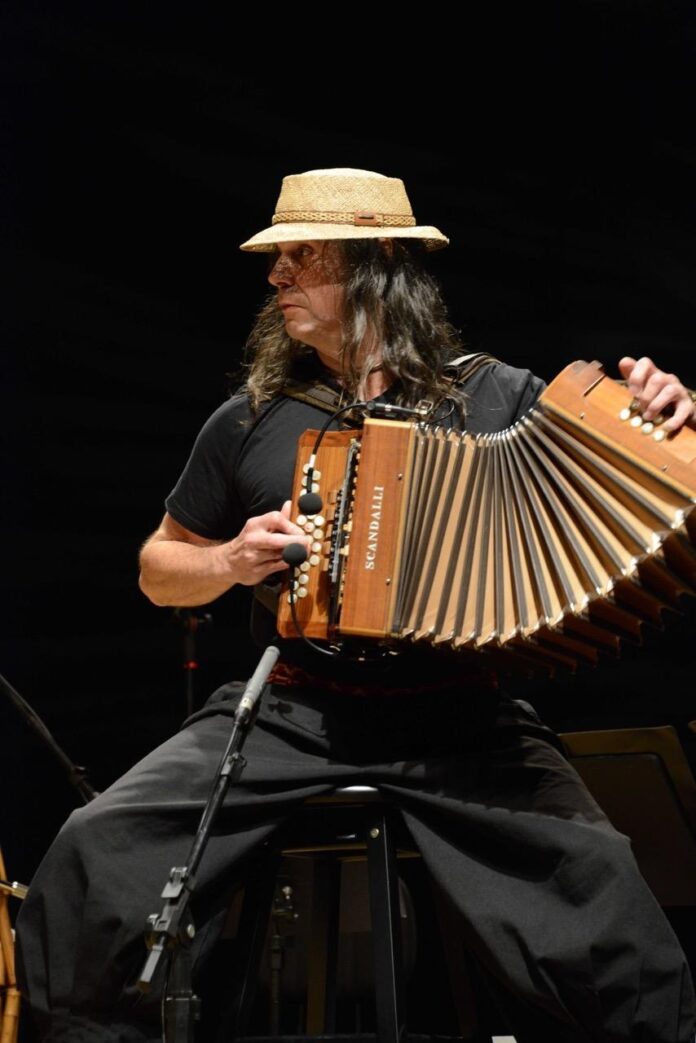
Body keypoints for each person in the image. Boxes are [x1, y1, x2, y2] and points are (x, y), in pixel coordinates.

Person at [16, 168, 696, 1043]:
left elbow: (637, 468)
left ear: (374, 268)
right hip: (296, 708)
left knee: (602, 881)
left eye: (302, 257)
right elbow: (158, 567)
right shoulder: (250, 419)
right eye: (278, 259)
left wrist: (666, 414)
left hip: (458, 717)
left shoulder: (495, 397)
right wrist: (229, 559)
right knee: (93, 849)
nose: (276, 277)